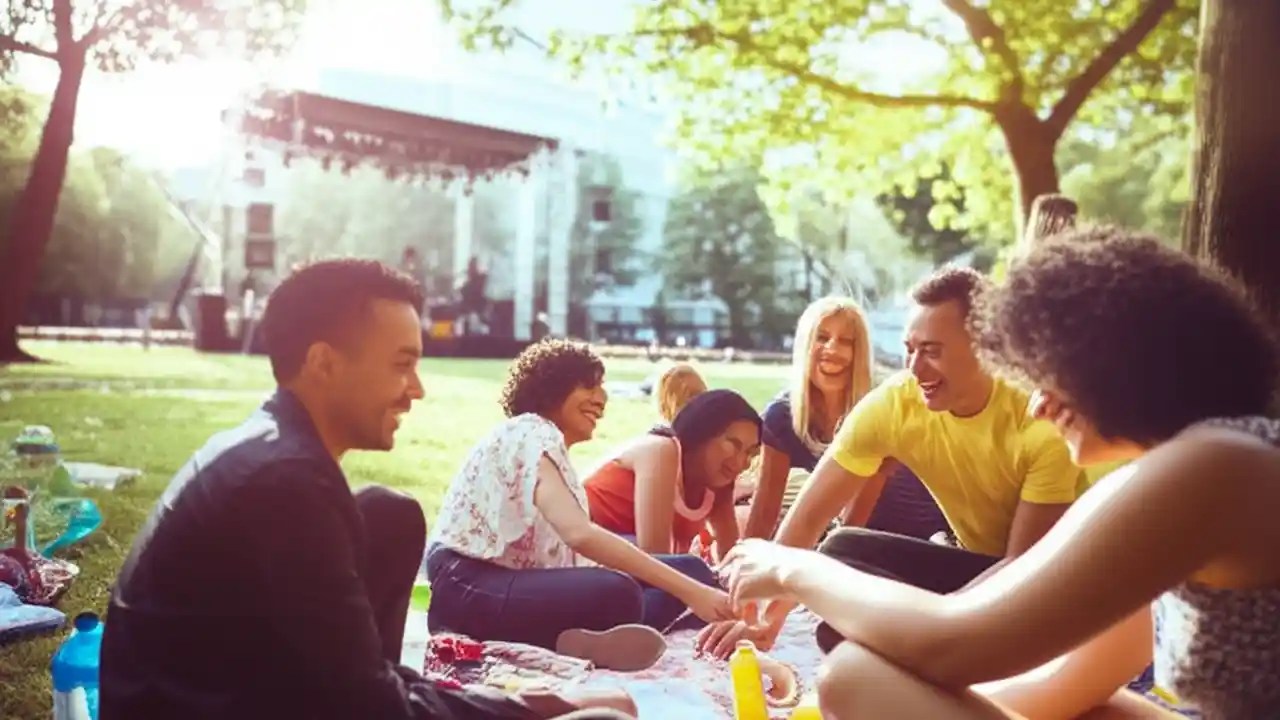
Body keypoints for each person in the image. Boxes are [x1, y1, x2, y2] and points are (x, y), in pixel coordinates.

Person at [720, 228, 1280, 719]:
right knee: (1091, 709)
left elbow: (954, 641)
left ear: (1117, 362)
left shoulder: (1215, 467)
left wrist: (793, 569)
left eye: (1046, 375)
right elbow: (1067, 683)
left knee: (854, 677)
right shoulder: (1199, 464)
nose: (1036, 404)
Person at [100, 260, 636, 720]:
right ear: (324, 363)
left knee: (389, 512)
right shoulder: (286, 483)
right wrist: (526, 710)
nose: (417, 390)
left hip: (242, 681)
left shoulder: (278, 451)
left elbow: (354, 682)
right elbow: (369, 708)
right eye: (402, 365)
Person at [700, 267, 1085, 659]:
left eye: (932, 351)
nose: (915, 369)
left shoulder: (1040, 419)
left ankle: (928, 648)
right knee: (842, 549)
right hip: (968, 570)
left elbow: (1025, 569)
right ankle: (916, 646)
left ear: (985, 347)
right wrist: (761, 619)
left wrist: (939, 623)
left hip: (1047, 589)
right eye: (910, 349)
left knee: (855, 636)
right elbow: (807, 522)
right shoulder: (897, 402)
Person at [427, 339, 733, 671]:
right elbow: (579, 534)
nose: (602, 400)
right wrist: (692, 594)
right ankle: (565, 639)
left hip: (516, 584)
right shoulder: (530, 431)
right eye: (589, 386)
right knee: (620, 592)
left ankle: (584, 637)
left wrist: (692, 583)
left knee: (691, 569)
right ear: (552, 387)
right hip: (465, 584)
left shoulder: (552, 453)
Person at [739, 296, 947, 542]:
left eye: (846, 342)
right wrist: (742, 565)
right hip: (853, 543)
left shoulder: (881, 407)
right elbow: (764, 514)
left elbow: (853, 523)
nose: (833, 350)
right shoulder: (782, 415)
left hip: (919, 538)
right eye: (822, 337)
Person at [584, 389, 761, 559]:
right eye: (733, 444)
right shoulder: (661, 451)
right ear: (703, 433)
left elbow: (731, 559)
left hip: (623, 563)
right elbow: (656, 557)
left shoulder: (717, 486)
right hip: (575, 550)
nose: (741, 463)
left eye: (750, 453)